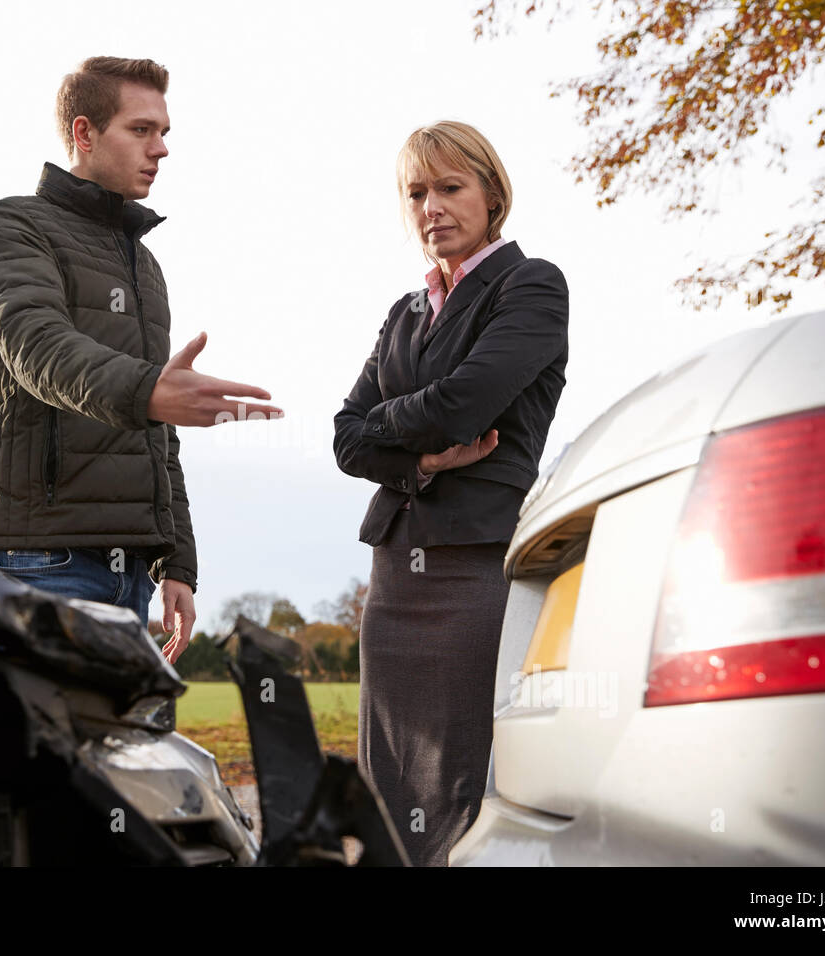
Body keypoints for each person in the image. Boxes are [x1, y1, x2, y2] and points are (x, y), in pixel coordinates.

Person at [0, 56, 279, 663]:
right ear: (84, 134)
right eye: (141, 130)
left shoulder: (145, 266)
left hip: (130, 574)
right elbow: (39, 349)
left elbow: (155, 428)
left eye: (163, 132)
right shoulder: (12, 224)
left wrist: (178, 563)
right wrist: (150, 393)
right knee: (32, 759)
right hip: (39, 564)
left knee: (117, 759)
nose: (160, 148)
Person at [332, 120, 569, 865]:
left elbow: (465, 403)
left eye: (449, 187)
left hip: (477, 564)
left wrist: (392, 425)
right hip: (396, 573)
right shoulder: (404, 312)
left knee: (464, 773)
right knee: (389, 772)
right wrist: (424, 460)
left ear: (492, 194)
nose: (431, 205)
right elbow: (346, 438)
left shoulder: (531, 285)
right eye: (416, 192)